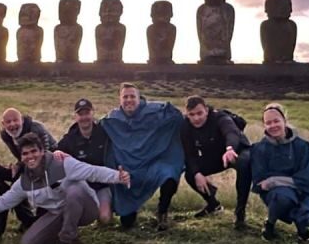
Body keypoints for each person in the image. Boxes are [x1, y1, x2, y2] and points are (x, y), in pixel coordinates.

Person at [0, 133, 130, 244]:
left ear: (42, 151)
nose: (30, 156)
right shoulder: (23, 182)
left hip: (86, 208)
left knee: (74, 191)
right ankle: (67, 232)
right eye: (25, 153)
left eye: (34, 151)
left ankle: (65, 243)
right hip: (58, 213)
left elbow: (93, 171)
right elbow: (3, 202)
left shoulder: (62, 163)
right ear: (21, 157)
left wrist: (118, 176)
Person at [101, 82, 184, 231]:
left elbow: (175, 117)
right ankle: (130, 211)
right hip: (128, 171)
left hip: (151, 165)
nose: (129, 100)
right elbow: (96, 131)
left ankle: (162, 211)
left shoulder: (153, 112)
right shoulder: (112, 119)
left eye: (132, 96)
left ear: (139, 98)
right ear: (120, 99)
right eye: (125, 97)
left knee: (169, 174)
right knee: (127, 222)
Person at [247, 103, 309, 241]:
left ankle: (302, 228)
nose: (273, 126)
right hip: (276, 194)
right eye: (268, 123)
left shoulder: (303, 146)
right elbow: (261, 182)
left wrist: (275, 181)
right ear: (264, 125)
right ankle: (270, 224)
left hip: (301, 192)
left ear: (285, 121)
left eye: (276, 121)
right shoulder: (259, 149)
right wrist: (284, 183)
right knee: (282, 198)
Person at [180, 96, 251, 229]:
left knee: (244, 163)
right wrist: (196, 173)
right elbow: (189, 154)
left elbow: (231, 132)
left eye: (199, 113)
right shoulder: (186, 126)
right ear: (187, 114)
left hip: (236, 151)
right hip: (216, 156)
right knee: (190, 173)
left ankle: (240, 213)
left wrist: (230, 148)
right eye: (192, 114)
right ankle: (213, 205)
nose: (196, 118)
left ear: (206, 110)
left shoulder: (219, 117)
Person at [56, 98, 112, 223]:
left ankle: (107, 208)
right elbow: (54, 153)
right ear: (76, 117)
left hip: (103, 185)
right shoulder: (69, 139)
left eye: (87, 113)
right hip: (82, 186)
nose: (84, 117)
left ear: (93, 113)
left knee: (105, 219)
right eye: (80, 114)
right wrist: (57, 152)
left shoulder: (105, 133)